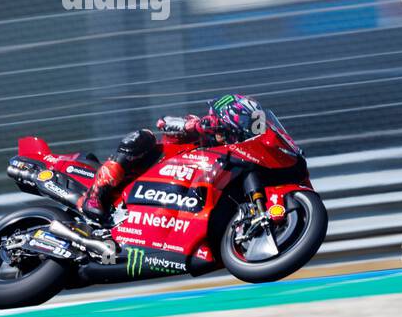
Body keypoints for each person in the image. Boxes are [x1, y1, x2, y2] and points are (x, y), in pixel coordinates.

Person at [76, 93, 265, 223]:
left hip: (170, 205)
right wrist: (196, 126)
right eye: (245, 124)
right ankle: (94, 195)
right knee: (144, 136)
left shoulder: (230, 159)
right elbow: (163, 122)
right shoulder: (199, 131)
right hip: (142, 177)